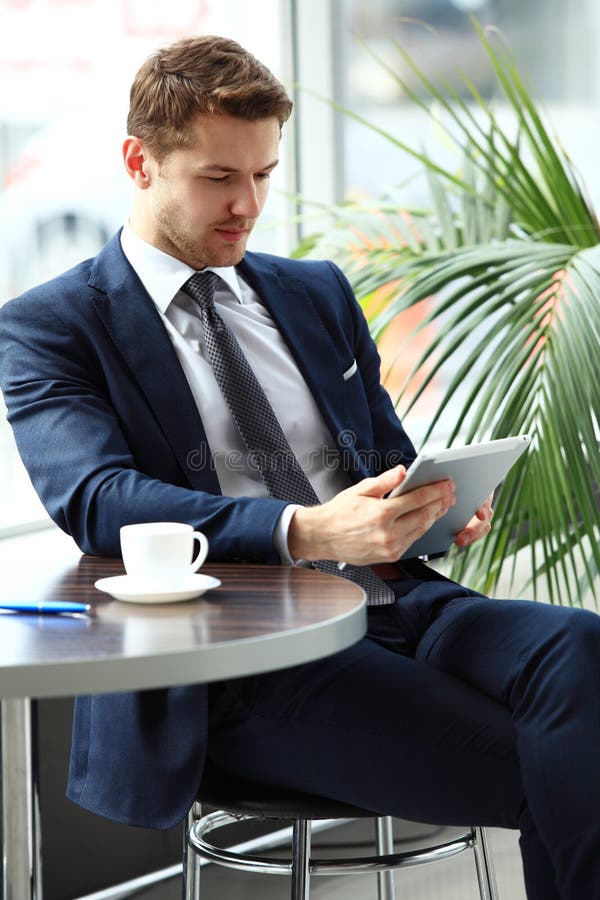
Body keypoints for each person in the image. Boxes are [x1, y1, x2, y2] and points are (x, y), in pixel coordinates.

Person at [0, 35, 598, 900]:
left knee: (578, 645)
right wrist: (306, 530)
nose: (248, 205)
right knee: (566, 757)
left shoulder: (313, 292)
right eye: (218, 178)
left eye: (264, 175)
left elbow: (384, 459)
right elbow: (97, 498)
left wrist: (429, 506)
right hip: (246, 658)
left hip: (402, 601)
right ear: (140, 162)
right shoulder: (52, 326)